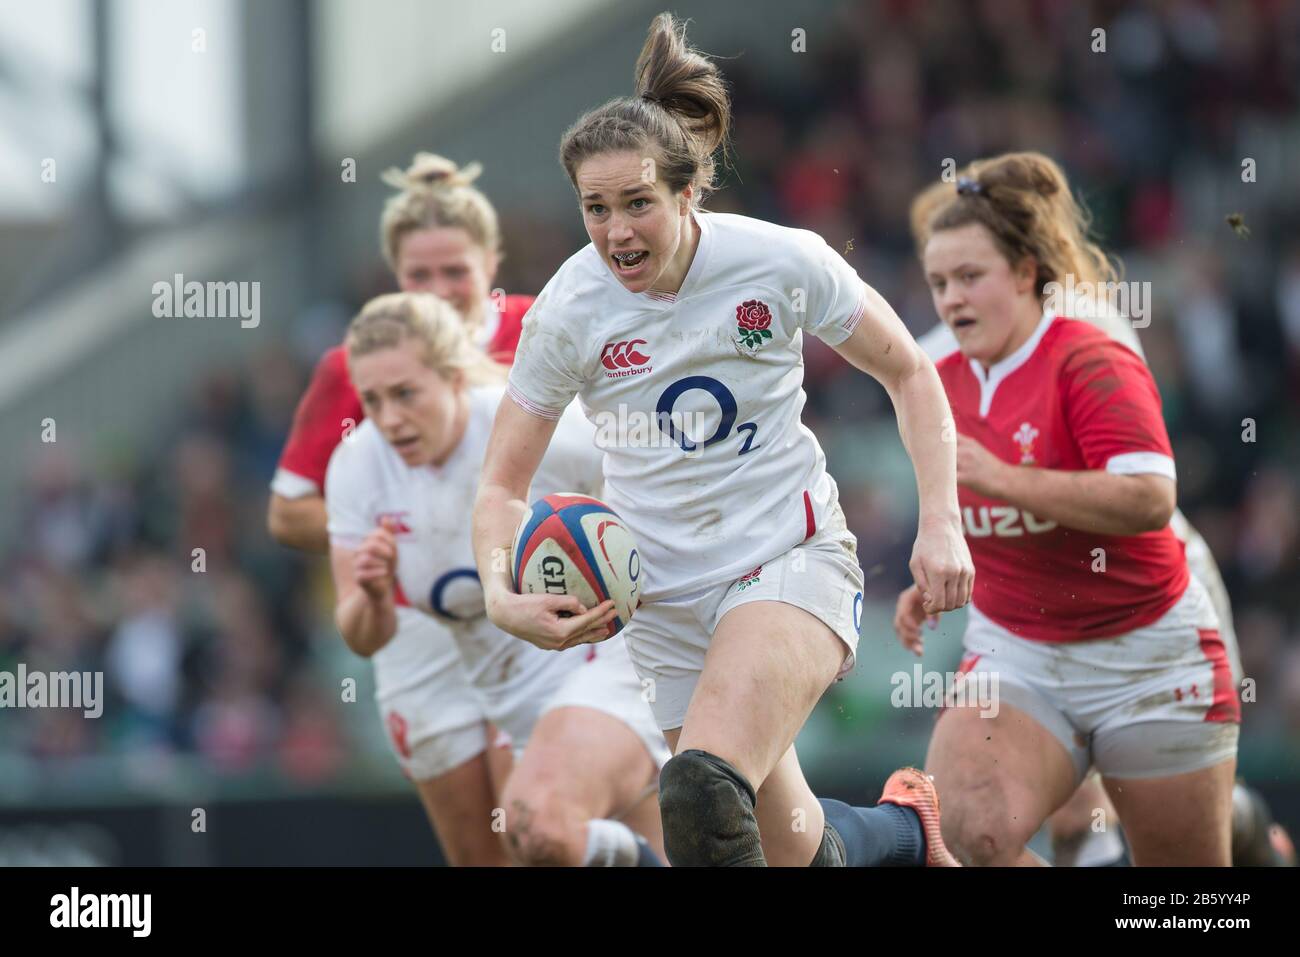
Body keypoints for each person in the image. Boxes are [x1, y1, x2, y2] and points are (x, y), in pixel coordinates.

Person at [471, 13, 973, 867]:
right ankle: (904, 834)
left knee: (699, 792)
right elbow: (499, 488)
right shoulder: (568, 310)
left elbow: (911, 372)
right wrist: (498, 593)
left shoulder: (779, 261)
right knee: (791, 852)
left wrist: (942, 522)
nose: (618, 232)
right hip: (661, 606)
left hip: (788, 558)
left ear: (688, 193)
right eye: (597, 209)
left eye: (638, 204)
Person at [897, 152, 1239, 866]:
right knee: (960, 832)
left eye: (969, 277)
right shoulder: (928, 378)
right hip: (1016, 650)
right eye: (938, 282)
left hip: (1147, 653)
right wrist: (934, 572)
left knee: (1186, 905)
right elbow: (967, 514)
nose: (952, 298)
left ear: (1025, 273)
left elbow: (1150, 497)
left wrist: (1005, 477)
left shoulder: (1089, 350)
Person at [326, 292, 668, 866]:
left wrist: (621, 568)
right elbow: (362, 636)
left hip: (604, 663)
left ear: (454, 376)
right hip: (509, 700)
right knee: (540, 846)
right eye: (372, 400)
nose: (389, 418)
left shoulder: (526, 425)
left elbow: (654, 474)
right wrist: (374, 594)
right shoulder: (357, 466)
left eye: (406, 394)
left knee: (538, 827)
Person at [267, 154, 530, 865]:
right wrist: (393, 536)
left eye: (456, 272)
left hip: (525, 614)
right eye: (420, 276)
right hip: (418, 632)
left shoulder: (541, 333)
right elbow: (288, 512)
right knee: (479, 854)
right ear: (395, 275)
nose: (439, 291)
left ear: (492, 261)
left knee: (536, 828)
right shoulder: (364, 361)